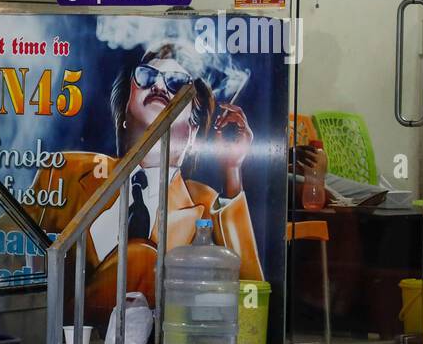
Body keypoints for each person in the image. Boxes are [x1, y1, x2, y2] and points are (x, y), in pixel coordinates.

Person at [26, 47, 262, 326]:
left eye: (175, 83)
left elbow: (251, 302)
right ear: (124, 110)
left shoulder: (207, 205)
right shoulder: (64, 171)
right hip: (59, 341)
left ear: (193, 130)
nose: (159, 85)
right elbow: (3, 251)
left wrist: (232, 169)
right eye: (147, 76)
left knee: (139, 257)